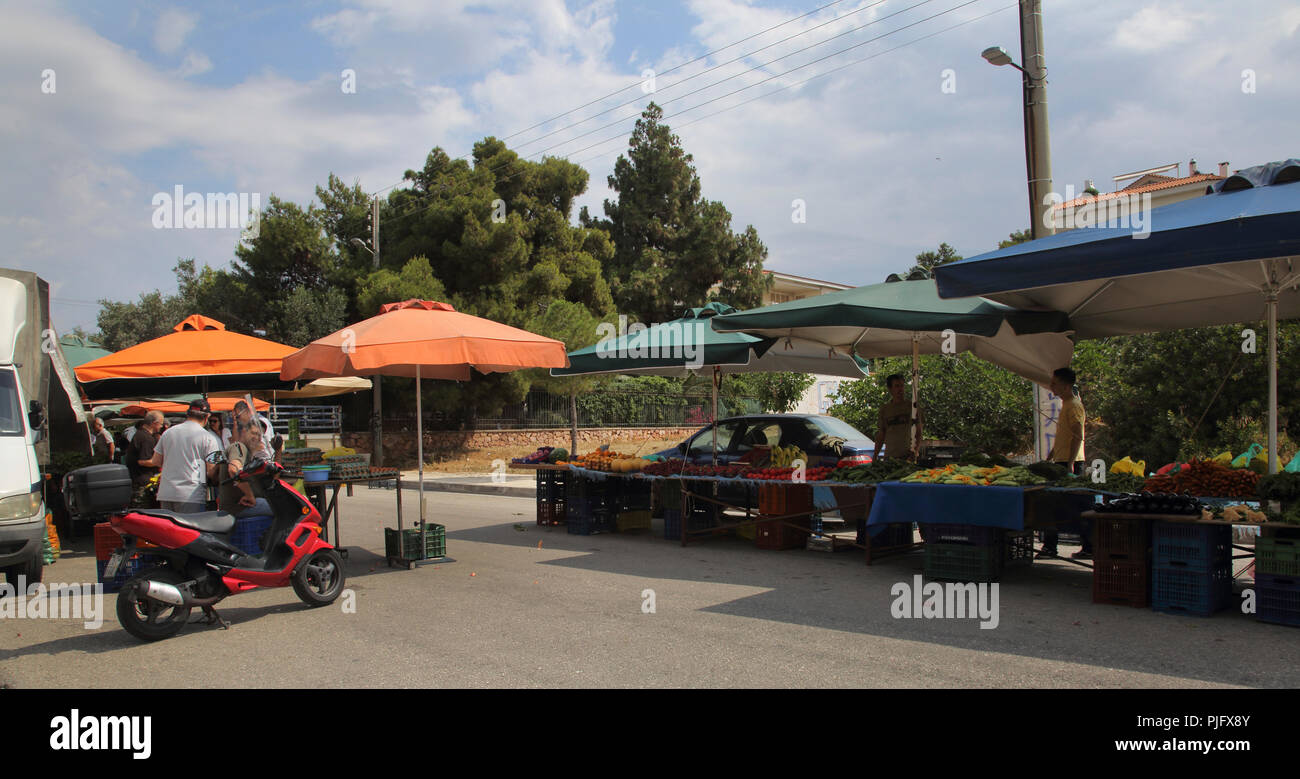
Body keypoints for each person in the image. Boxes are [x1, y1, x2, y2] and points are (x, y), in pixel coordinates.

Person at [1038, 367, 1094, 560]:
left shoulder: (1074, 405)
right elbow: (1064, 435)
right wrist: (1051, 455)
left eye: (1055, 383)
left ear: (1066, 385)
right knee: (1056, 505)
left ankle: (1087, 546)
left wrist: (1069, 463)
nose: (1052, 387)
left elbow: (1078, 436)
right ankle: (1051, 546)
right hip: (1060, 460)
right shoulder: (1066, 405)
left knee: (1075, 506)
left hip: (1071, 463)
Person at [145, 399, 219, 513]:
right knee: (190, 530)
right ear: (207, 417)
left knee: (169, 530)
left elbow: (156, 461)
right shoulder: (208, 438)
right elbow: (212, 470)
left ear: (187, 414)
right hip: (191, 494)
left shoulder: (168, 433)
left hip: (166, 493)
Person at [218, 415, 273, 518]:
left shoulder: (250, 455)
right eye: (253, 433)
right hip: (238, 508)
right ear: (244, 431)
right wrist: (249, 495)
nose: (256, 437)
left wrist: (277, 450)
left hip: (243, 506)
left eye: (259, 435)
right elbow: (234, 470)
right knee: (280, 508)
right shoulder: (239, 447)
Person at [872, 373, 922, 462]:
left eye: (902, 386)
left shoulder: (912, 407)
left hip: (907, 457)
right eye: (897, 386)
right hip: (889, 457)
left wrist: (915, 451)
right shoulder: (885, 409)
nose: (900, 389)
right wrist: (875, 456)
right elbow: (881, 434)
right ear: (890, 389)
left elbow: (918, 432)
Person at [126, 411, 164, 487]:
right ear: (154, 423)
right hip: (143, 480)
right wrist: (163, 462)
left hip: (138, 478)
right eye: (161, 424)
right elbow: (143, 461)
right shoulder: (145, 438)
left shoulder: (141, 434)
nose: (161, 426)